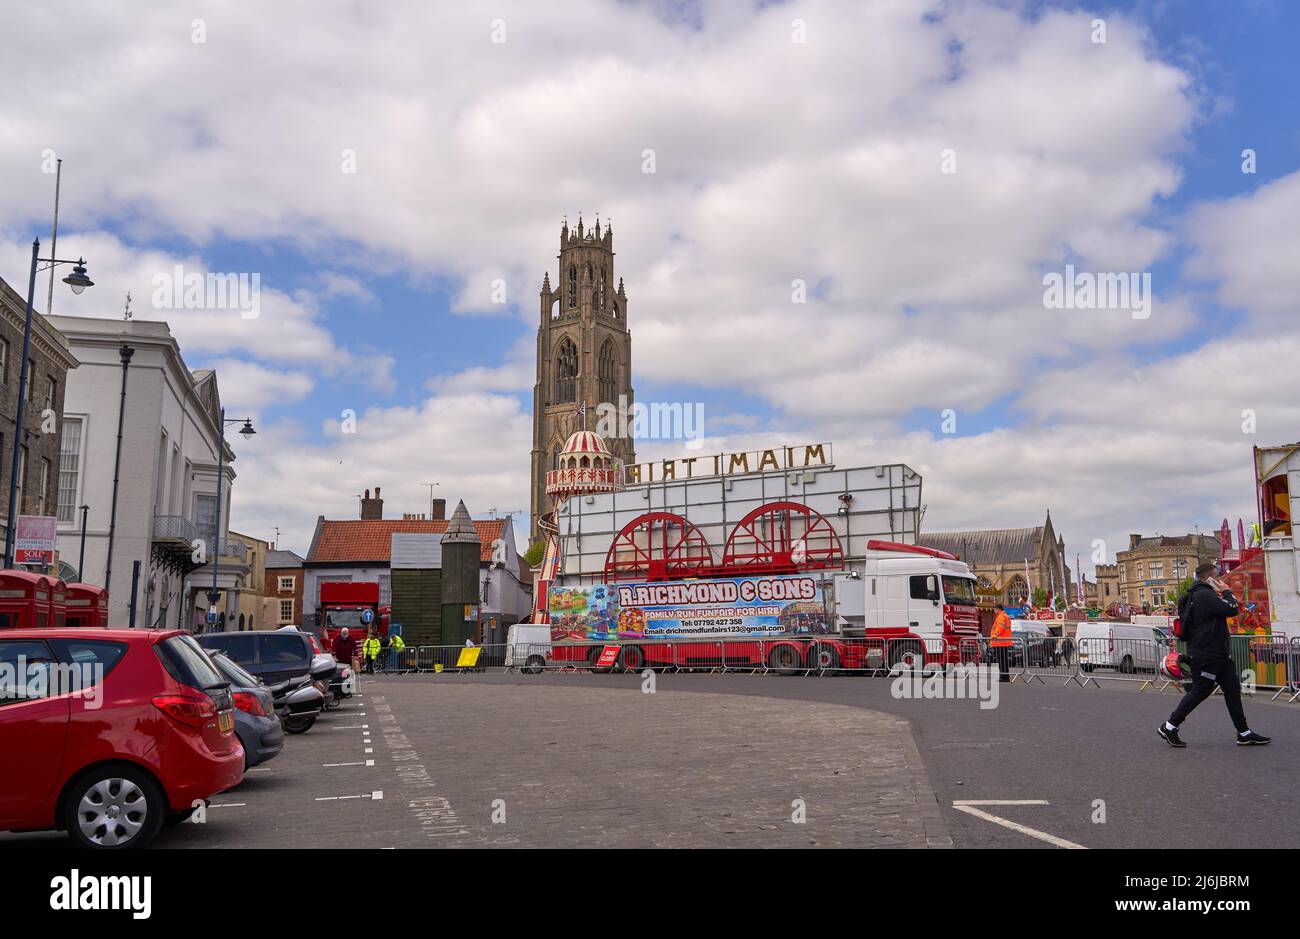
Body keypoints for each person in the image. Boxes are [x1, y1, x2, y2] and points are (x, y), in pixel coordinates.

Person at [1159, 563, 1270, 748]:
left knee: (1232, 689)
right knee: (1200, 691)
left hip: (1217, 654)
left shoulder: (1192, 596)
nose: (1220, 580)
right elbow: (1232, 609)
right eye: (1216, 577)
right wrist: (1227, 592)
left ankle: (1243, 733)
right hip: (1207, 654)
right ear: (1207, 578)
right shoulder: (1204, 595)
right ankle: (1170, 726)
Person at [989, 604, 1013, 683]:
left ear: (998, 609)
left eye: (994, 609)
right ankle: (1005, 677)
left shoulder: (1001, 617)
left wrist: (994, 637)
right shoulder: (1006, 616)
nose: (994, 611)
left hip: (999, 642)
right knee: (1004, 660)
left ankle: (1003, 677)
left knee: (1001, 660)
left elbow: (1000, 628)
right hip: (1004, 641)